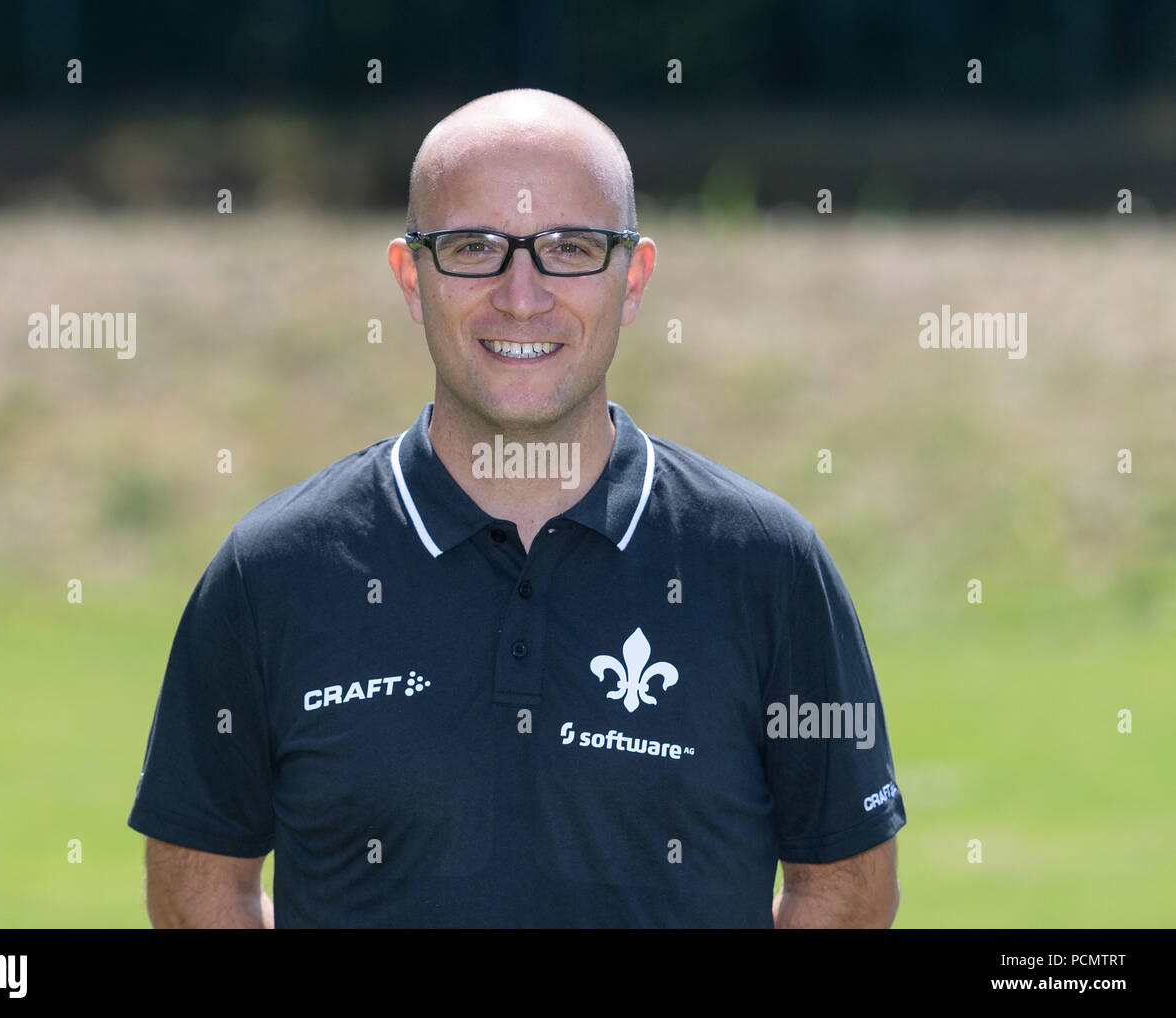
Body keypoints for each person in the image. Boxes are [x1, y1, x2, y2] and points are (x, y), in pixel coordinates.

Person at [127, 88, 906, 928]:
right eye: (473, 247)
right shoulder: (271, 572)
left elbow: (847, 893)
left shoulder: (768, 563)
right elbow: (199, 889)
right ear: (411, 277)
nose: (522, 294)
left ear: (633, 276)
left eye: (571, 248)